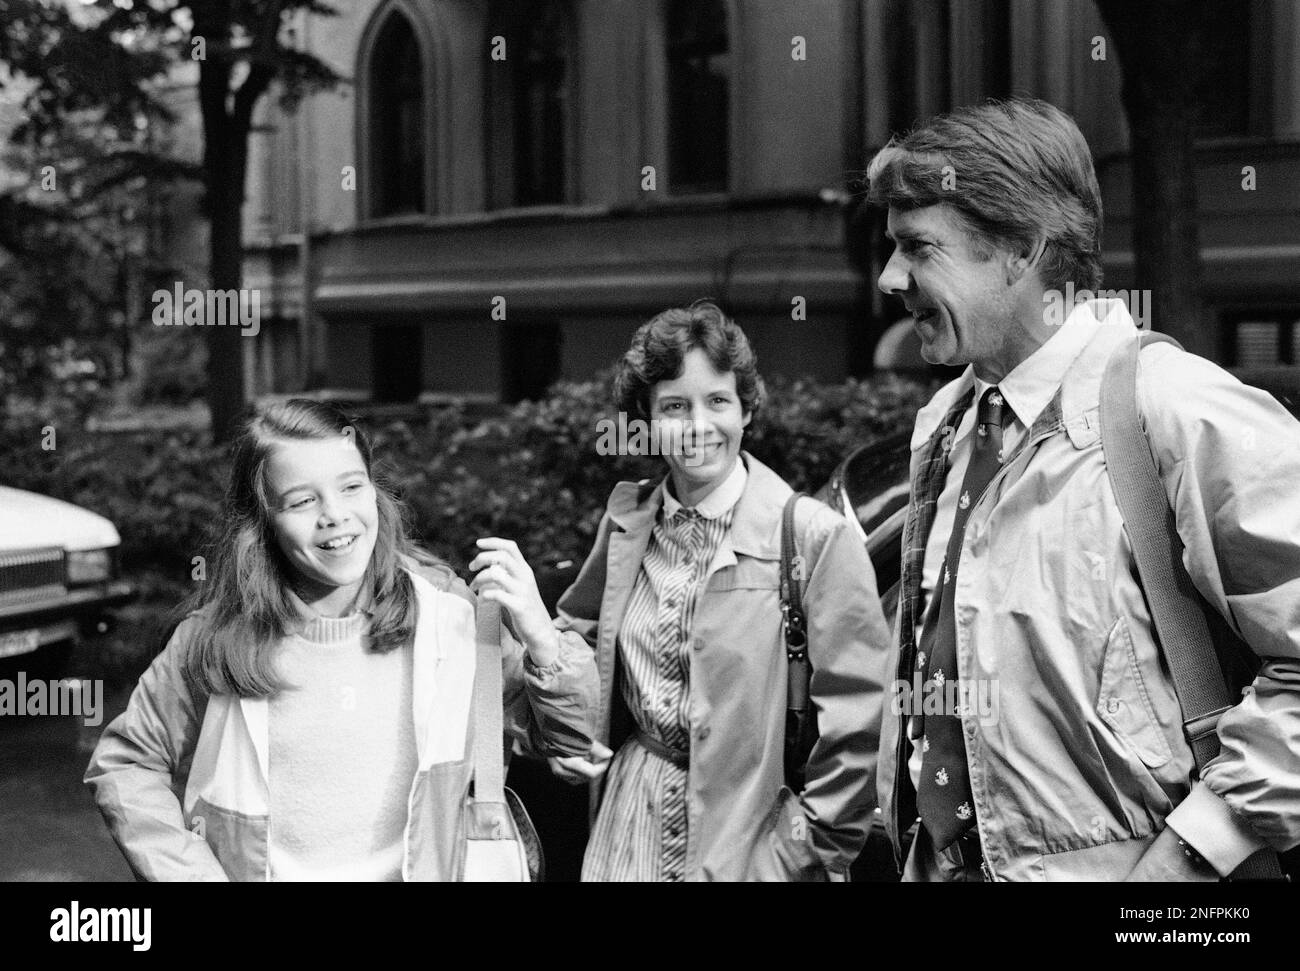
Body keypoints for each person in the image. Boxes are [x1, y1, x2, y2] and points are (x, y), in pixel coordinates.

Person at [866, 97, 1300, 881]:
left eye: (917, 247)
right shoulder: (948, 422)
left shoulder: (1175, 408)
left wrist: (1195, 853)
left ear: (1022, 249)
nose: (891, 277)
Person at [85, 399, 596, 881]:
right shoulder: (213, 640)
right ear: (263, 523)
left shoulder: (452, 617)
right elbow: (128, 762)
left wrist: (540, 633)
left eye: (351, 487)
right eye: (303, 500)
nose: (334, 514)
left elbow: (571, 740)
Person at [477, 301, 891, 881]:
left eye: (718, 401)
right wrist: (542, 645)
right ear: (644, 421)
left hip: (753, 838)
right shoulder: (627, 524)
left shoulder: (812, 537)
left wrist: (802, 855)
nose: (698, 425)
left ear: (746, 409)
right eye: (674, 406)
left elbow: (860, 723)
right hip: (630, 827)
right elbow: (577, 700)